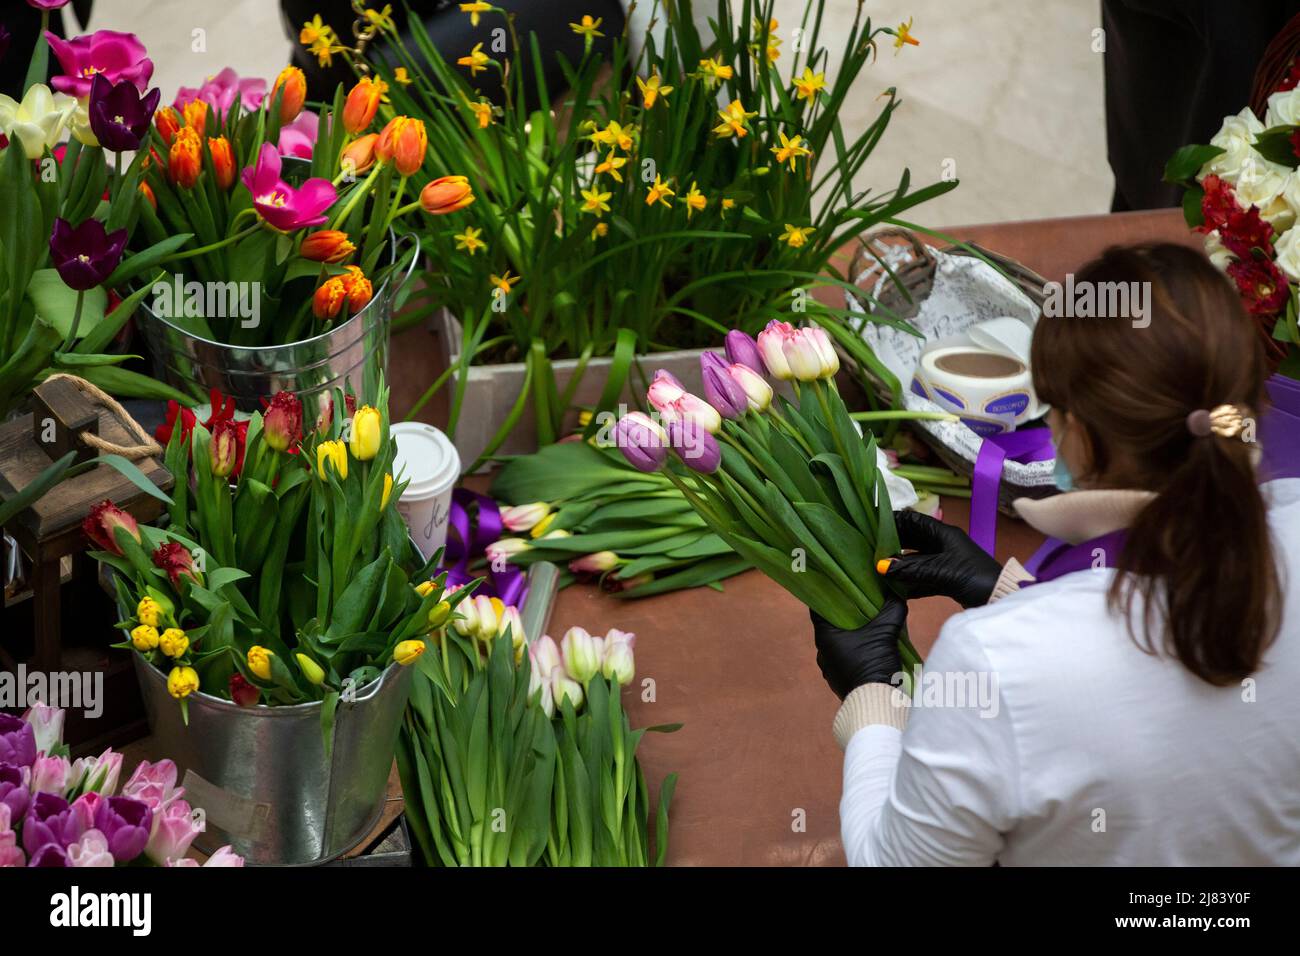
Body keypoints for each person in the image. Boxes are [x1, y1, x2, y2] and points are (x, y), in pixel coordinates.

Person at [812, 242, 1300, 865]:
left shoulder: (991, 660)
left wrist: (872, 702)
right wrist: (1008, 592)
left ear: (1081, 436)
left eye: (1051, 409)